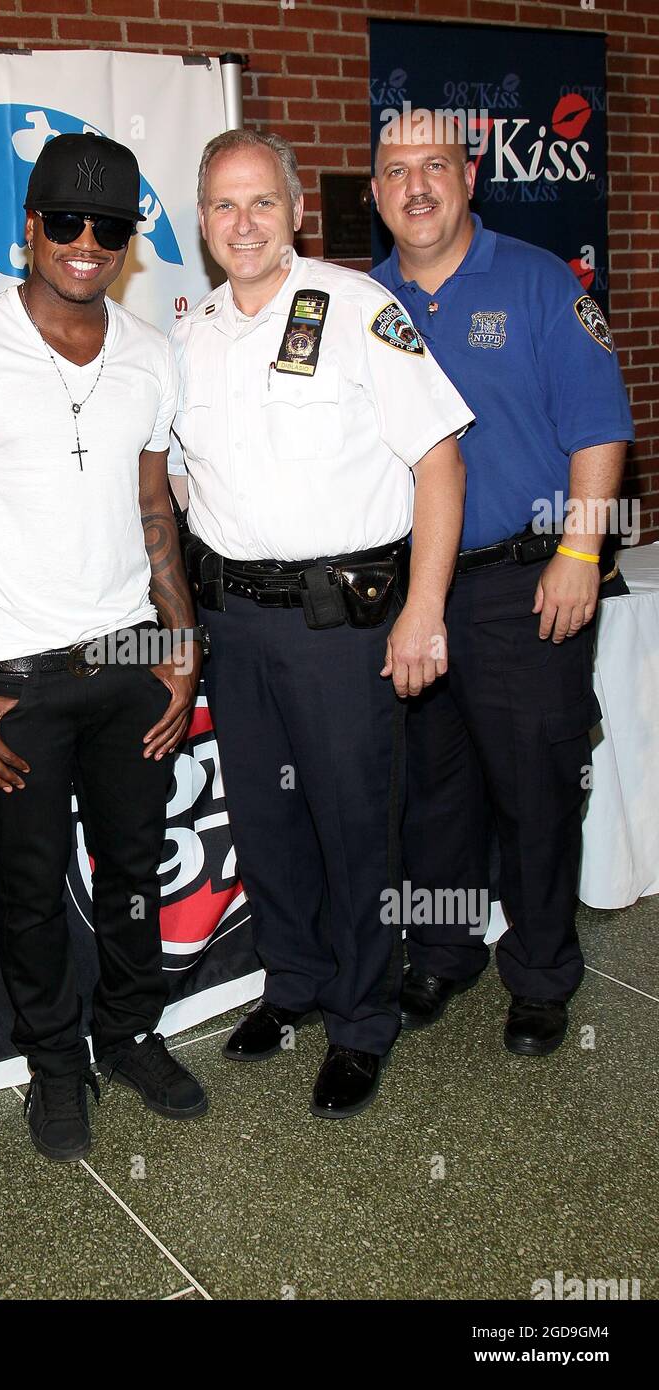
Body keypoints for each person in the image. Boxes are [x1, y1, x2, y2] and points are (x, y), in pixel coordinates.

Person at [0, 133, 208, 1163]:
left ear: (128, 241)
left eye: (110, 226)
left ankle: (129, 1032)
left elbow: (153, 508)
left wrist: (181, 642)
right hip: (12, 674)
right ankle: (51, 1061)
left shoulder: (149, 356)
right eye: (66, 222)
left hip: (130, 659)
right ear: (28, 228)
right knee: (28, 885)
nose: (87, 243)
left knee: (132, 864)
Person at [171, 130, 474, 1118]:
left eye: (260, 202)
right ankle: (291, 983)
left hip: (339, 624)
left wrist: (423, 609)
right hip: (233, 621)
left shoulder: (359, 310)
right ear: (201, 222)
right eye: (222, 206)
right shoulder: (189, 334)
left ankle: (359, 1020)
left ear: (294, 210)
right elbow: (179, 478)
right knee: (265, 820)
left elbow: (438, 463)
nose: (242, 223)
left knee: (353, 828)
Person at [371, 112, 633, 1056]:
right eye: (396, 171)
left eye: (435, 165)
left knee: (534, 785)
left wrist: (578, 554)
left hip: (529, 585)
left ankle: (541, 971)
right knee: (435, 792)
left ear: (469, 176)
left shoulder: (536, 281)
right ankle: (445, 951)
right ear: (375, 191)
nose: (417, 187)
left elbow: (600, 427)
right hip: (416, 593)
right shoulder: (368, 301)